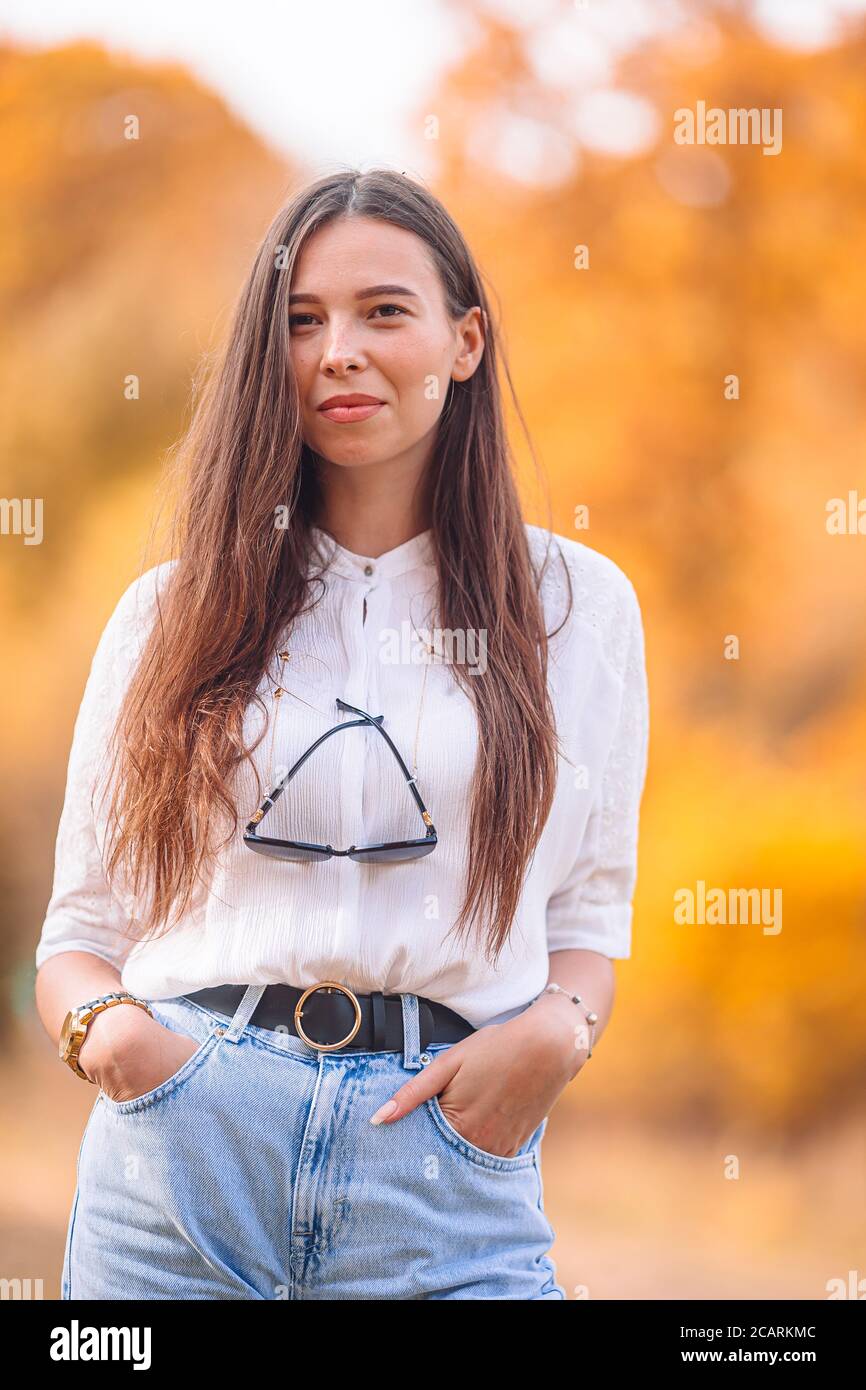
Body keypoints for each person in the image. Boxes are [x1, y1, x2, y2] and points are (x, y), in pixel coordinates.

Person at [34, 167, 650, 1301]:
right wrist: (116, 1043)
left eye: (383, 312)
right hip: (179, 1163)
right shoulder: (169, 614)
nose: (338, 353)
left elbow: (587, 915)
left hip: (444, 1166)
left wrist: (554, 1037)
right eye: (301, 321)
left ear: (465, 342)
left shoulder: (579, 606)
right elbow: (79, 929)